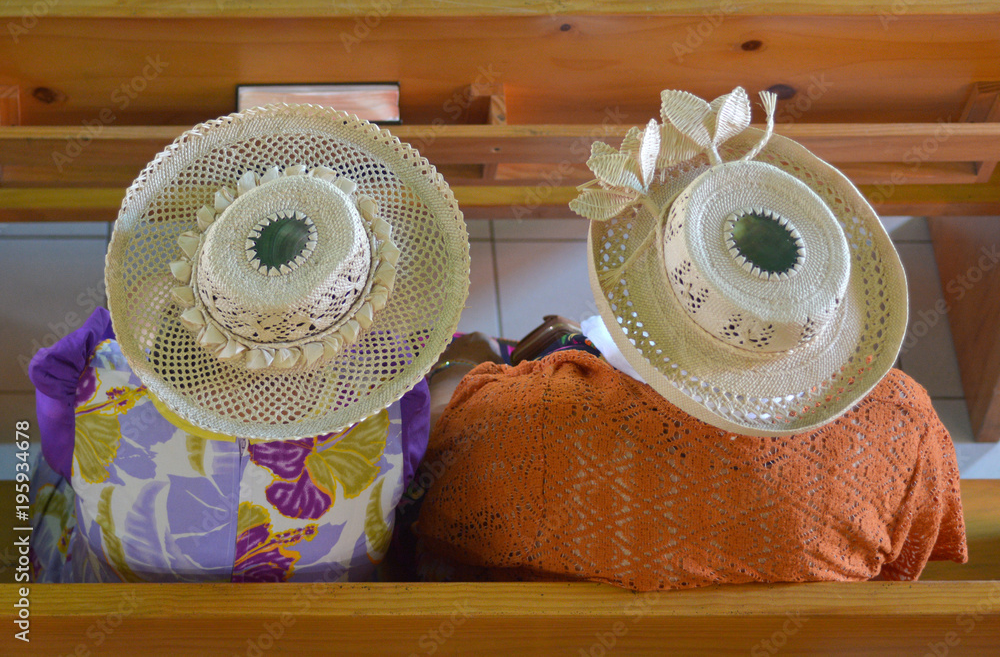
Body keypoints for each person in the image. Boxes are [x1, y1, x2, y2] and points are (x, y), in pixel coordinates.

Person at [412, 87, 968, 590]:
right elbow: (904, 569)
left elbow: (433, 525)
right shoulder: (905, 423)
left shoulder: (522, 420)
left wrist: (471, 373)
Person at [28, 103, 470, 583]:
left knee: (45, 467)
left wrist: (107, 333)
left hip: (120, 627)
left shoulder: (90, 377)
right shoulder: (396, 408)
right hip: (320, 635)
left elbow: (58, 453)